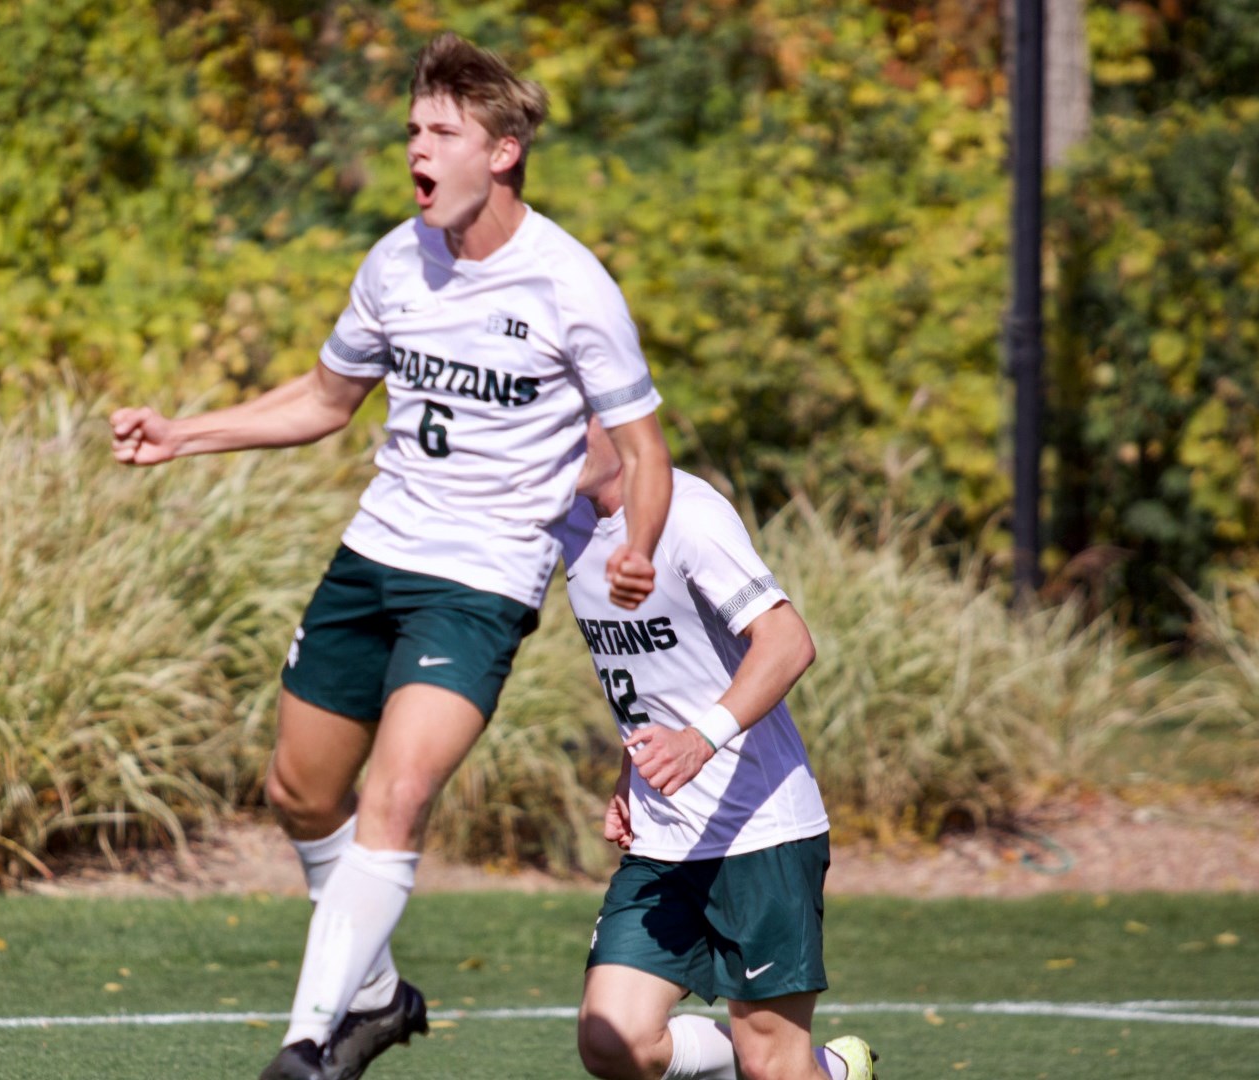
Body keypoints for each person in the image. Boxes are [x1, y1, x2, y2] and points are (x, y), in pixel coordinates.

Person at [109, 33, 674, 1080]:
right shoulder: (393, 263)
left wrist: (635, 546)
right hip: (372, 557)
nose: (416, 148)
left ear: (500, 152)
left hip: (481, 582)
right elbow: (326, 399)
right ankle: (376, 998)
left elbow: (645, 450)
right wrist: (186, 432)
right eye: (412, 128)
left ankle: (306, 1043)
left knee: (397, 796)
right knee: (297, 792)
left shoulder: (571, 286)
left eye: (441, 131)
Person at [552, 419, 877, 1080]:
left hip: (760, 834)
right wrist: (629, 773)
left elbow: (788, 641)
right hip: (664, 841)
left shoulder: (690, 516)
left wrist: (702, 739)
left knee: (773, 1067)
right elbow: (649, 669)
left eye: (571, 416)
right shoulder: (570, 528)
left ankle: (822, 1071)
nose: (550, 433)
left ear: (620, 417)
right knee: (612, 1041)